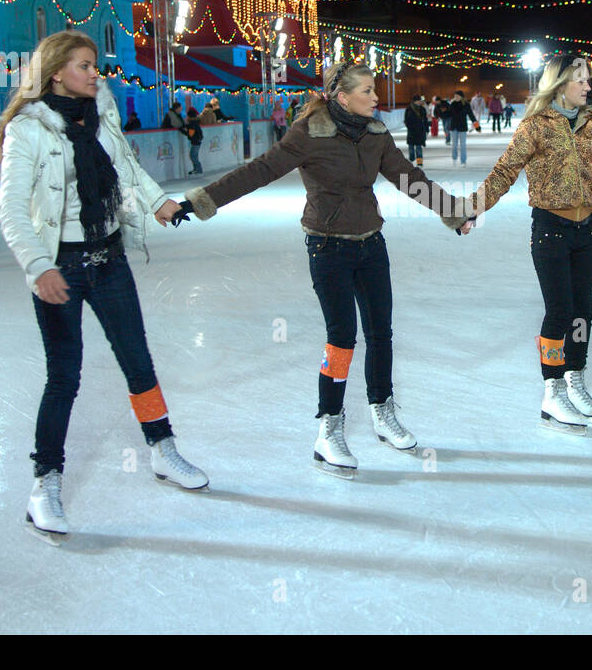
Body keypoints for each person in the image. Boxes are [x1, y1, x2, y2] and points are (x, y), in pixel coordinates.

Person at [169, 60, 472, 479]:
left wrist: (453, 212)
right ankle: (329, 428)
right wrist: (200, 201)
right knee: (341, 338)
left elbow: (408, 177)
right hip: (327, 246)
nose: (375, 97)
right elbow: (258, 171)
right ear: (343, 97)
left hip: (371, 243)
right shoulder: (308, 133)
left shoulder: (375, 135)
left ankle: (382, 411)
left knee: (381, 331)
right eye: (367, 91)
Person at [0, 31, 207, 543]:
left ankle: (162, 450)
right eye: (85, 66)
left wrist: (159, 202)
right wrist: (38, 267)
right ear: (55, 73)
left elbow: (128, 171)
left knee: (139, 362)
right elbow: (12, 210)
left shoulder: (102, 116)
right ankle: (44, 484)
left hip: (109, 259)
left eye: (95, 65)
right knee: (64, 375)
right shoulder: (28, 130)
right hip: (60, 266)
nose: (95, 74)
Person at [465, 53, 592, 434]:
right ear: (560, 85)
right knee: (559, 312)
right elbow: (505, 170)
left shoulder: (589, 126)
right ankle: (553, 389)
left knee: (582, 313)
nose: (589, 87)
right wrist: (472, 208)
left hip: (585, 231)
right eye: (582, 81)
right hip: (550, 230)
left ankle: (575, 379)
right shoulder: (536, 126)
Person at [447, 90, 474, 165]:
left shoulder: (466, 104)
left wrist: (476, 125)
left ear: (461, 96)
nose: (456, 97)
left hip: (462, 127)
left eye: (457, 96)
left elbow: (471, 115)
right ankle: (454, 158)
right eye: (455, 96)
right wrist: (441, 113)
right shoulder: (452, 104)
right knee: (454, 145)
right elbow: (448, 114)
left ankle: (463, 161)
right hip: (454, 127)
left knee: (463, 145)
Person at [404, 94, 428, 165]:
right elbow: (406, 119)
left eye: (420, 101)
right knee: (411, 147)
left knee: (418, 148)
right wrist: (409, 126)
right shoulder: (409, 109)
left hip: (420, 130)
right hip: (411, 130)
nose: (420, 102)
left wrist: (426, 129)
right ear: (415, 101)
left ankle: (420, 162)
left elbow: (425, 120)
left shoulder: (422, 109)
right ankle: (411, 159)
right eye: (419, 101)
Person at [184, 106, 204, 174]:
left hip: (195, 141)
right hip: (197, 141)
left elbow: (191, 134)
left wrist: (184, 131)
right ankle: (197, 169)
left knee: (193, 156)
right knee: (194, 156)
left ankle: (198, 170)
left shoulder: (192, 124)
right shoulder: (195, 122)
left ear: (189, 116)